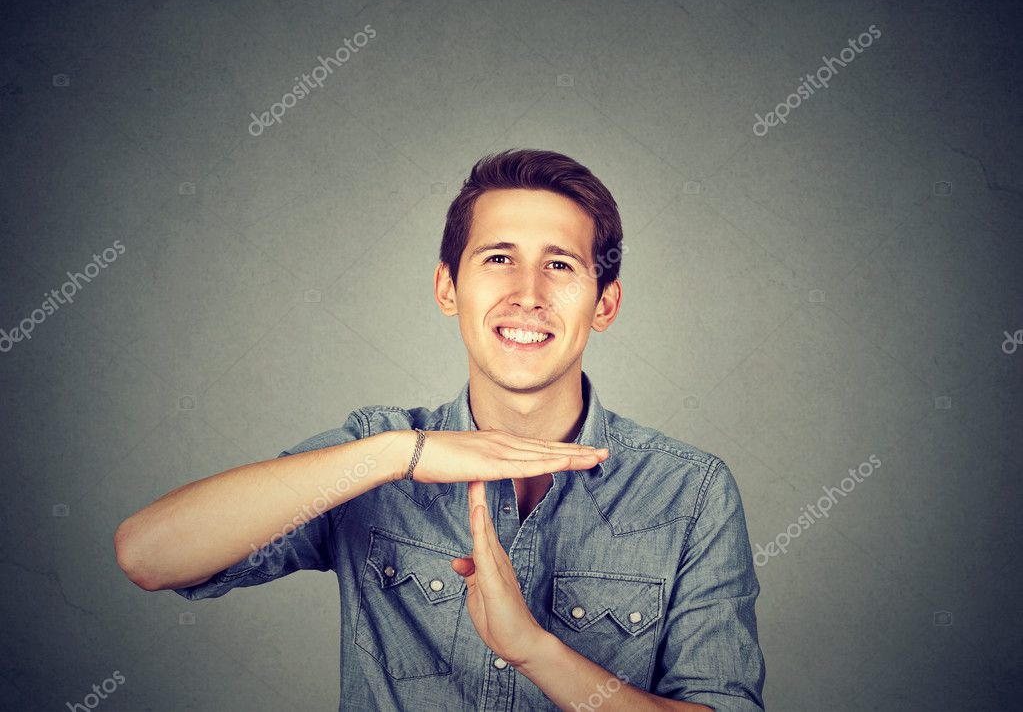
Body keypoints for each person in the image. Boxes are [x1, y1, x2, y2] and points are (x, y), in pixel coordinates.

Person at [114, 149, 766, 711]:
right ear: (447, 287)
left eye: (560, 264)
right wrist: (401, 454)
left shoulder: (690, 490)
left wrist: (533, 649)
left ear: (605, 303)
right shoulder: (374, 451)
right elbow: (147, 554)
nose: (528, 293)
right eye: (499, 258)